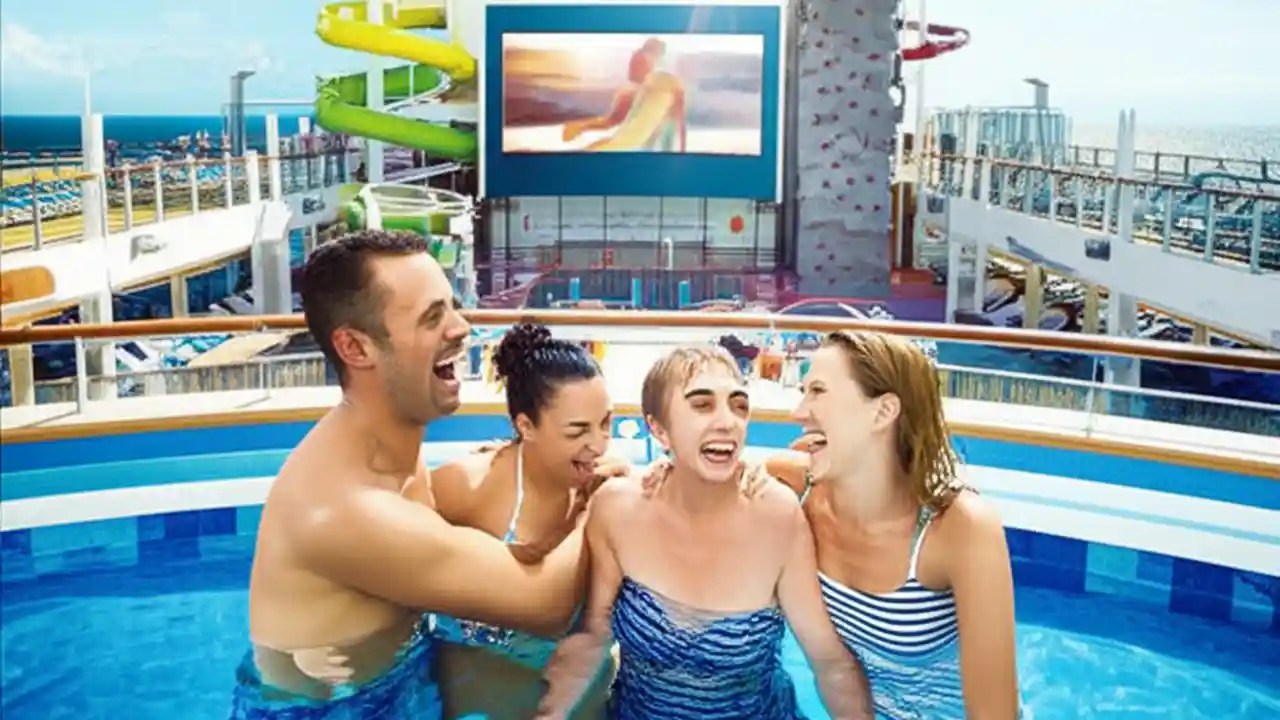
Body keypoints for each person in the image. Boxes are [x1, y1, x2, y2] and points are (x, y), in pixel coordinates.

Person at [232, 230, 593, 718]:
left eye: (453, 306)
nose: (461, 328)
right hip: (335, 709)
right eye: (432, 318)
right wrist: (603, 499)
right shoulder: (344, 510)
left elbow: (445, 548)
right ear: (356, 348)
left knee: (585, 682)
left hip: (401, 675)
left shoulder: (392, 453)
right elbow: (543, 605)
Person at [536, 346, 874, 720]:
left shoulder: (777, 517)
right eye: (702, 405)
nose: (728, 421)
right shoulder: (618, 509)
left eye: (739, 406)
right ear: (658, 429)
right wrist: (548, 715)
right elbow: (594, 635)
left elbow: (829, 662)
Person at [767, 331, 1022, 719]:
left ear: (883, 412)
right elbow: (698, 478)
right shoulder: (796, 489)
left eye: (818, 391)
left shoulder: (957, 528)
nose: (798, 412)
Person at [429, 322, 626, 717]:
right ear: (525, 426)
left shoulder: (612, 484)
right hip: (475, 674)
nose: (598, 444)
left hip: (569, 678)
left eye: (605, 423)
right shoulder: (468, 485)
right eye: (577, 431)